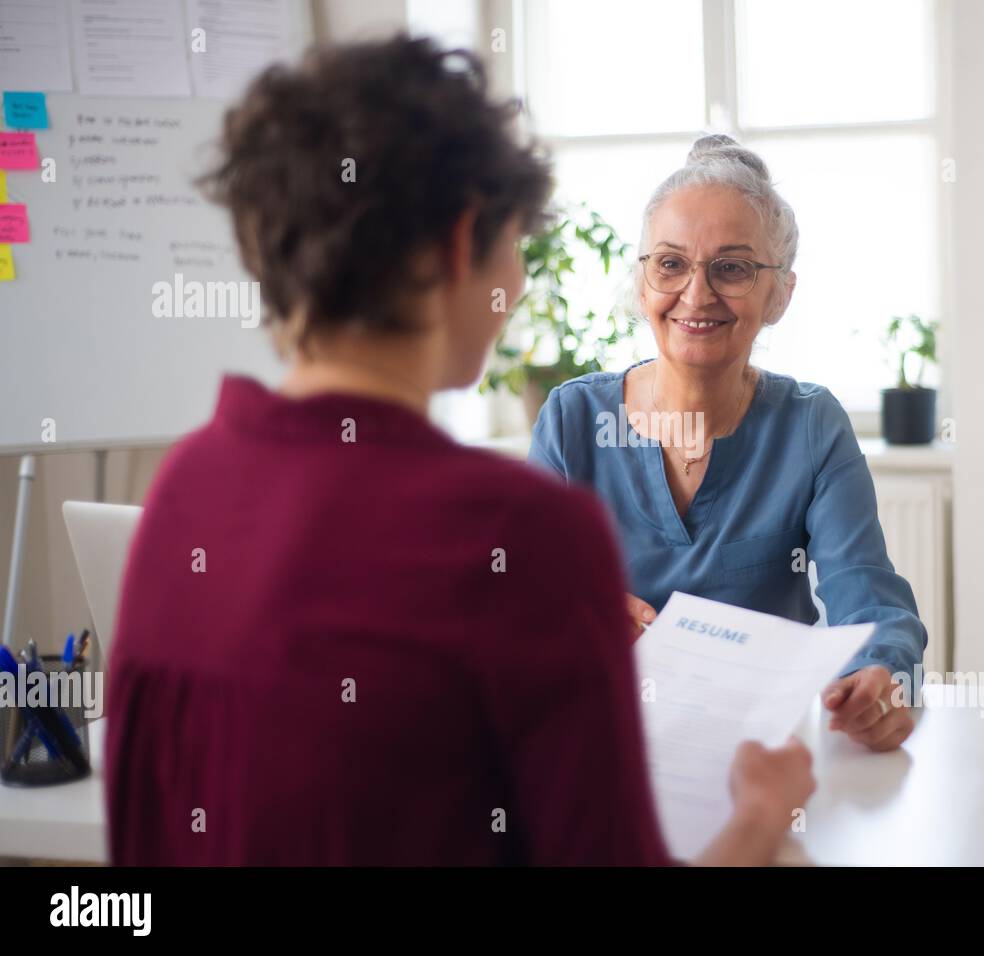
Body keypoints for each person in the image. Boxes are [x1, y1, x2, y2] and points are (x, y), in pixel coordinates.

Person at [105, 37, 812, 866]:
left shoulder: (186, 487)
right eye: (514, 243)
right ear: (459, 244)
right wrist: (763, 818)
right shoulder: (522, 531)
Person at [529, 135, 928, 753]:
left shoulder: (812, 425)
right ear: (642, 283)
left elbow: (868, 595)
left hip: (761, 756)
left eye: (733, 267)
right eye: (670, 263)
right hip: (605, 749)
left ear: (780, 294)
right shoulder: (572, 419)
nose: (697, 293)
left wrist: (885, 676)